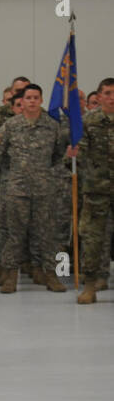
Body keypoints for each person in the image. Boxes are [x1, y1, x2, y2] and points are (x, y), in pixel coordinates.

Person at [0, 84, 73, 293]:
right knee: (15, 235)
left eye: (36, 97)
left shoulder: (52, 126)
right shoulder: (11, 126)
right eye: (29, 98)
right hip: (17, 190)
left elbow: (58, 154)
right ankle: (10, 277)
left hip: (44, 190)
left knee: (47, 235)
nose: (32, 101)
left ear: (41, 101)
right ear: (21, 102)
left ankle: (51, 275)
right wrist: (11, 169)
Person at [0, 76, 30, 283]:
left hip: (31, 180)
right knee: (3, 222)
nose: (21, 94)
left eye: (25, 90)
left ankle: (28, 262)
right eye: (17, 90)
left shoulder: (36, 115)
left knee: (31, 222)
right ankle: (1, 262)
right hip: (3, 178)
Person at [74, 77, 114, 303]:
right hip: (97, 191)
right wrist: (73, 152)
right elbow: (80, 153)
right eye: (107, 93)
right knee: (92, 238)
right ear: (98, 97)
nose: (111, 97)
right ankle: (90, 285)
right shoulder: (88, 122)